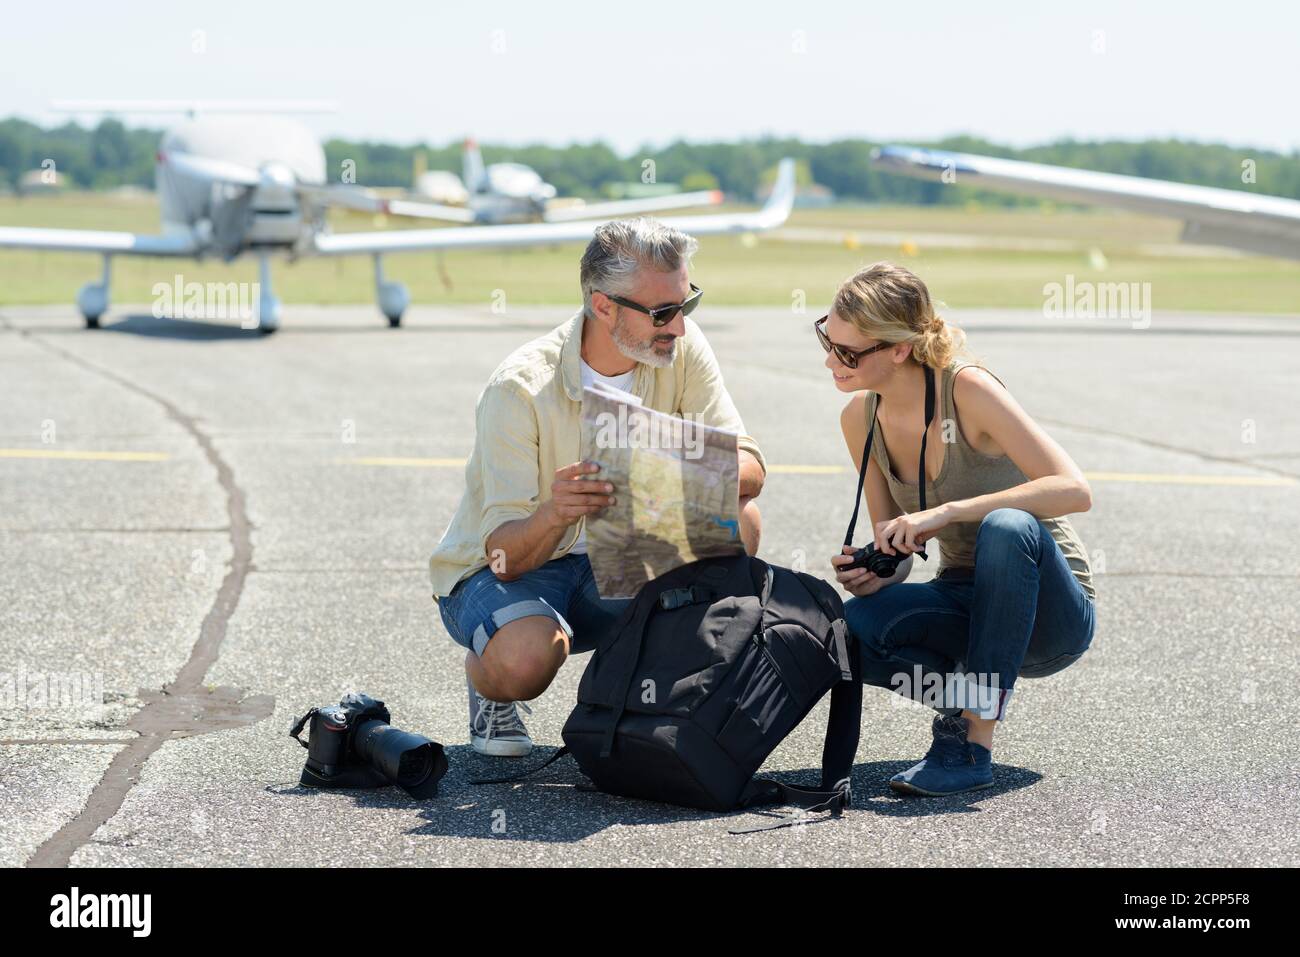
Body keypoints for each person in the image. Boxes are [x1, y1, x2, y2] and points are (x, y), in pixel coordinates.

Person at [430, 217, 766, 757]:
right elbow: (501, 556)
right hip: (514, 567)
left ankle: (646, 701)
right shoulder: (518, 388)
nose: (678, 327)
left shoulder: (683, 347)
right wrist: (555, 513)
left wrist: (658, 462)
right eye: (662, 313)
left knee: (742, 519)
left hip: (622, 555)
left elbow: (750, 467)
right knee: (524, 660)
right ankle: (489, 678)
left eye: (688, 305)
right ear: (602, 304)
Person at [820, 262, 1096, 796]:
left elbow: (1075, 489)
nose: (830, 360)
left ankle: (969, 743)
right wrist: (877, 570)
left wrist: (947, 513)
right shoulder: (859, 418)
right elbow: (896, 547)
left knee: (1008, 527)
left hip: (1049, 616)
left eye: (848, 352)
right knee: (851, 629)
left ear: (898, 349)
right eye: (826, 340)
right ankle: (975, 693)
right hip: (967, 601)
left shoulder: (967, 390)